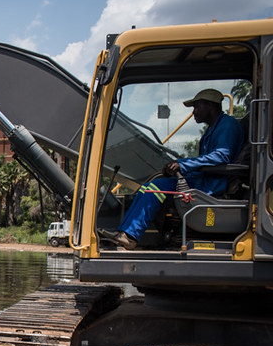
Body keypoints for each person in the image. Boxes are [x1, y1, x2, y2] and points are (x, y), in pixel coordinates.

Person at [103, 88, 245, 249]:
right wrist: (179, 166)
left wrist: (183, 165)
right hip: (203, 179)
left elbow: (221, 157)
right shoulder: (215, 127)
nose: (194, 112)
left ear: (211, 106)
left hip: (212, 184)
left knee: (155, 189)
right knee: (147, 188)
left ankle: (130, 235)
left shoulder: (227, 125)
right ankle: (125, 233)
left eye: (197, 107)